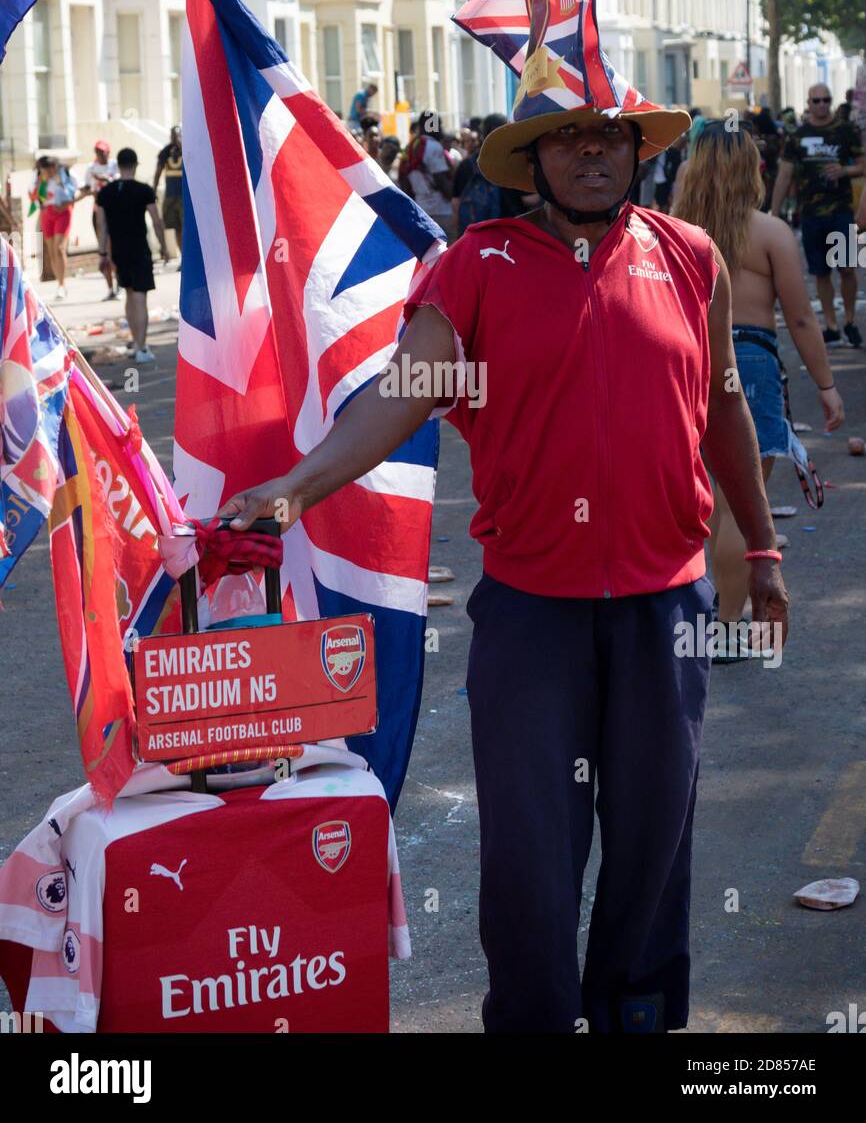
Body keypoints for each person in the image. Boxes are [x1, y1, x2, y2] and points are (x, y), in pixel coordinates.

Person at [222, 91, 788, 1033]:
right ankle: (531, 1020)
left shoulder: (691, 260)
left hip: (668, 607)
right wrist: (295, 488)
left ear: (635, 152)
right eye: (565, 139)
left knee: (655, 837)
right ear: (532, 164)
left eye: (608, 135)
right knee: (530, 849)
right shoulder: (475, 266)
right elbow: (402, 395)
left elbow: (724, 407)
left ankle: (636, 1016)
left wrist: (762, 547)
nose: (590, 153)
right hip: (533, 615)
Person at [673, 122, 843, 652]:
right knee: (740, 503)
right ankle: (724, 627)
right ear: (752, 170)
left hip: (689, 361)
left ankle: (702, 619)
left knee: (702, 505)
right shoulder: (769, 232)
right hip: (752, 361)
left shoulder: (673, 229)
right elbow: (800, 319)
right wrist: (827, 385)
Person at [772, 85, 865, 347]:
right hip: (811, 214)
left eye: (827, 100)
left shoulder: (846, 130)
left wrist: (845, 171)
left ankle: (848, 321)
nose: (823, 104)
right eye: (817, 100)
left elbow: (863, 166)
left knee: (847, 268)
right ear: (809, 103)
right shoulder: (797, 135)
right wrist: (775, 214)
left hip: (842, 212)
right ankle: (832, 326)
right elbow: (784, 175)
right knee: (821, 273)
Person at [95, 148, 169, 365]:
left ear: (118, 165)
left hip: (118, 251)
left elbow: (102, 224)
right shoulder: (144, 190)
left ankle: (137, 343)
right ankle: (141, 346)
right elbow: (156, 220)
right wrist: (164, 246)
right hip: (139, 248)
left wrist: (102, 253)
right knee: (140, 297)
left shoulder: (106, 192)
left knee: (128, 294)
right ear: (136, 165)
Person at [452, 112, 534, 233]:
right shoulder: (513, 163)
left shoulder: (466, 165)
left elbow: (456, 204)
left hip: (477, 233)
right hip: (510, 233)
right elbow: (530, 200)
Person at [398, 111, 454, 233]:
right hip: (441, 212)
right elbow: (441, 181)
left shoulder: (409, 147)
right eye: (439, 124)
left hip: (420, 210)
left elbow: (404, 181)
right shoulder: (433, 146)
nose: (441, 128)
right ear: (432, 125)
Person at [33, 155, 76, 300]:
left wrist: (66, 203)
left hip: (62, 212)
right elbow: (34, 197)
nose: (47, 172)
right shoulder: (40, 177)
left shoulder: (65, 174)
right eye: (44, 170)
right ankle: (59, 284)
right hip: (46, 212)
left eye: (49, 169)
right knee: (51, 252)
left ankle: (62, 285)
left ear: (54, 166)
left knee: (59, 248)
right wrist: (40, 183)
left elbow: (75, 191)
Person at [80, 140, 119, 299]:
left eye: (102, 151)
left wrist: (104, 179)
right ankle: (110, 288)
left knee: (115, 250)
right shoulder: (91, 168)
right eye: (97, 151)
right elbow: (87, 188)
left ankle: (120, 285)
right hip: (98, 212)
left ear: (108, 152)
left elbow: (117, 182)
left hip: (115, 212)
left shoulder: (114, 165)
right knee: (103, 250)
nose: (100, 154)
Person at [153, 126, 183, 261]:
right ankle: (183, 258)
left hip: (184, 196)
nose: (174, 137)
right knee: (176, 227)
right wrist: (153, 189)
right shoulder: (165, 151)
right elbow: (158, 171)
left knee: (186, 226)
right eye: (173, 134)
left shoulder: (187, 148)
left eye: (177, 134)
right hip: (171, 194)